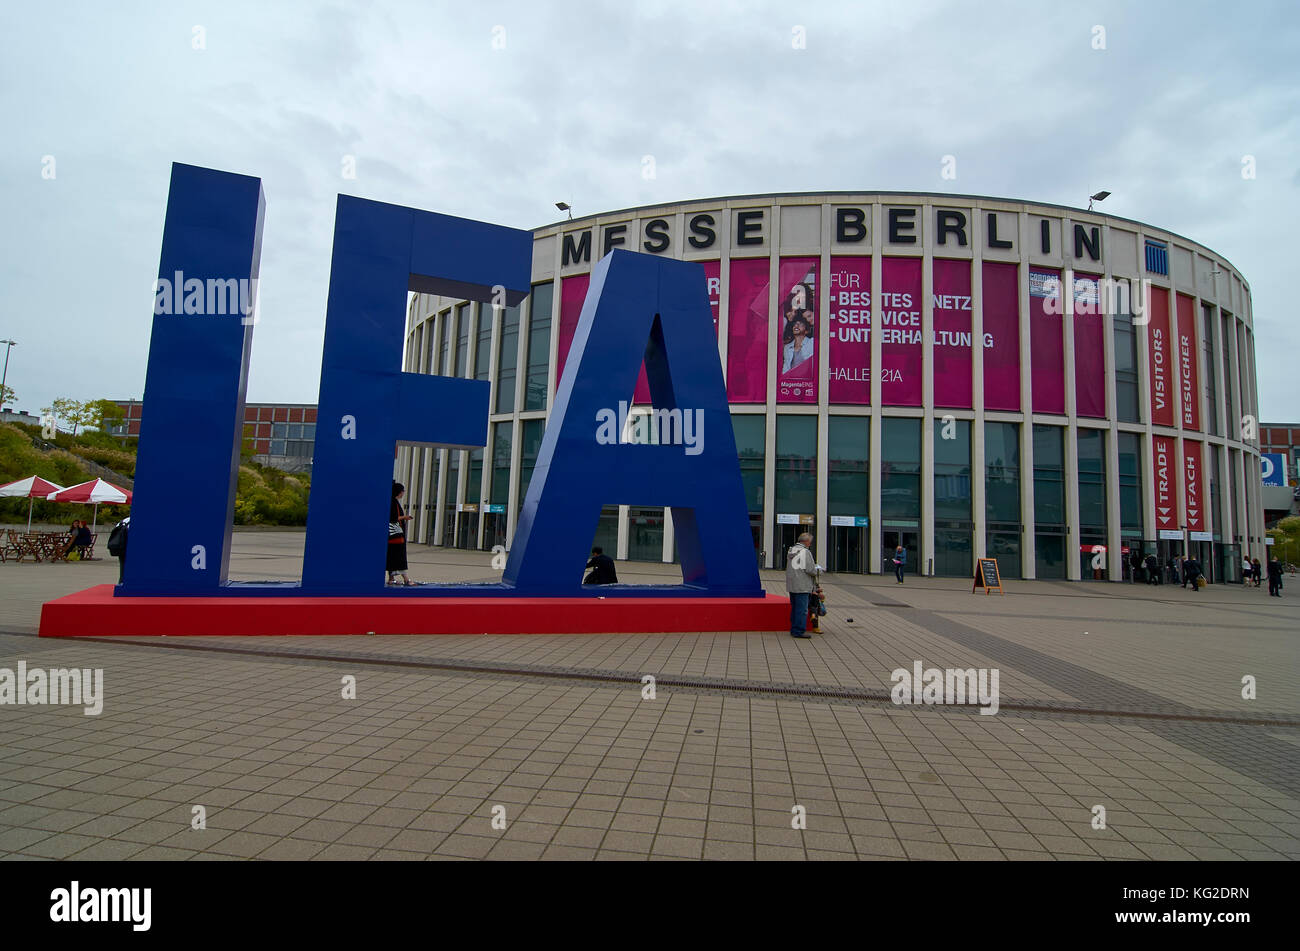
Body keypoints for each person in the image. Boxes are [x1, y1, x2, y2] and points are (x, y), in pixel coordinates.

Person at [785, 532, 821, 639]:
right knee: (802, 609)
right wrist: (818, 571)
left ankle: (794, 629)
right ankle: (799, 631)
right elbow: (810, 569)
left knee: (795, 608)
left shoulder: (791, 550)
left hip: (793, 584)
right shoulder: (805, 552)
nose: (810, 544)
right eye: (810, 541)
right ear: (805, 541)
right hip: (803, 585)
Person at [387, 481, 414, 586]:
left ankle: (391, 578)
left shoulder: (392, 502)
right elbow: (393, 518)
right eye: (403, 491)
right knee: (399, 557)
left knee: (392, 557)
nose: (403, 493)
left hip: (392, 536)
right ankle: (406, 579)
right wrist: (405, 517)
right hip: (396, 535)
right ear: (399, 492)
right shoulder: (394, 503)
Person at [107, 515, 130, 583]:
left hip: (120, 546)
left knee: (122, 564)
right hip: (129, 546)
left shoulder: (124, 520)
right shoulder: (137, 521)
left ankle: (121, 582)